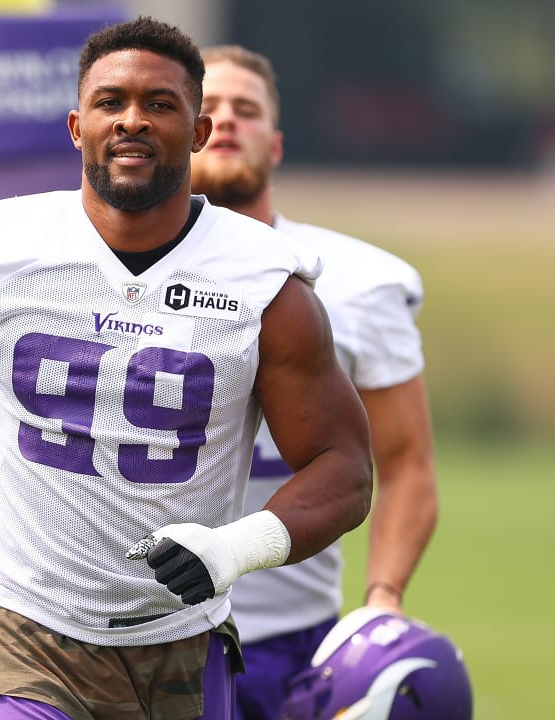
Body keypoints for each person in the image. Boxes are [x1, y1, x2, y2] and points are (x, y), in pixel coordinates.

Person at [0, 17, 373, 720]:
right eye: (110, 102)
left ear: (199, 132)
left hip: (181, 643)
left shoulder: (265, 285)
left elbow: (344, 466)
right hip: (24, 631)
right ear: (75, 126)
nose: (132, 120)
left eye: (160, 104)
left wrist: (235, 548)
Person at [190, 44, 439, 720]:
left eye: (246, 110)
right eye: (207, 108)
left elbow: (407, 462)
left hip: (292, 644)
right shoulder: (109, 275)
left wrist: (382, 599)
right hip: (141, 634)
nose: (227, 121)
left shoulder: (358, 283)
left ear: (275, 145)